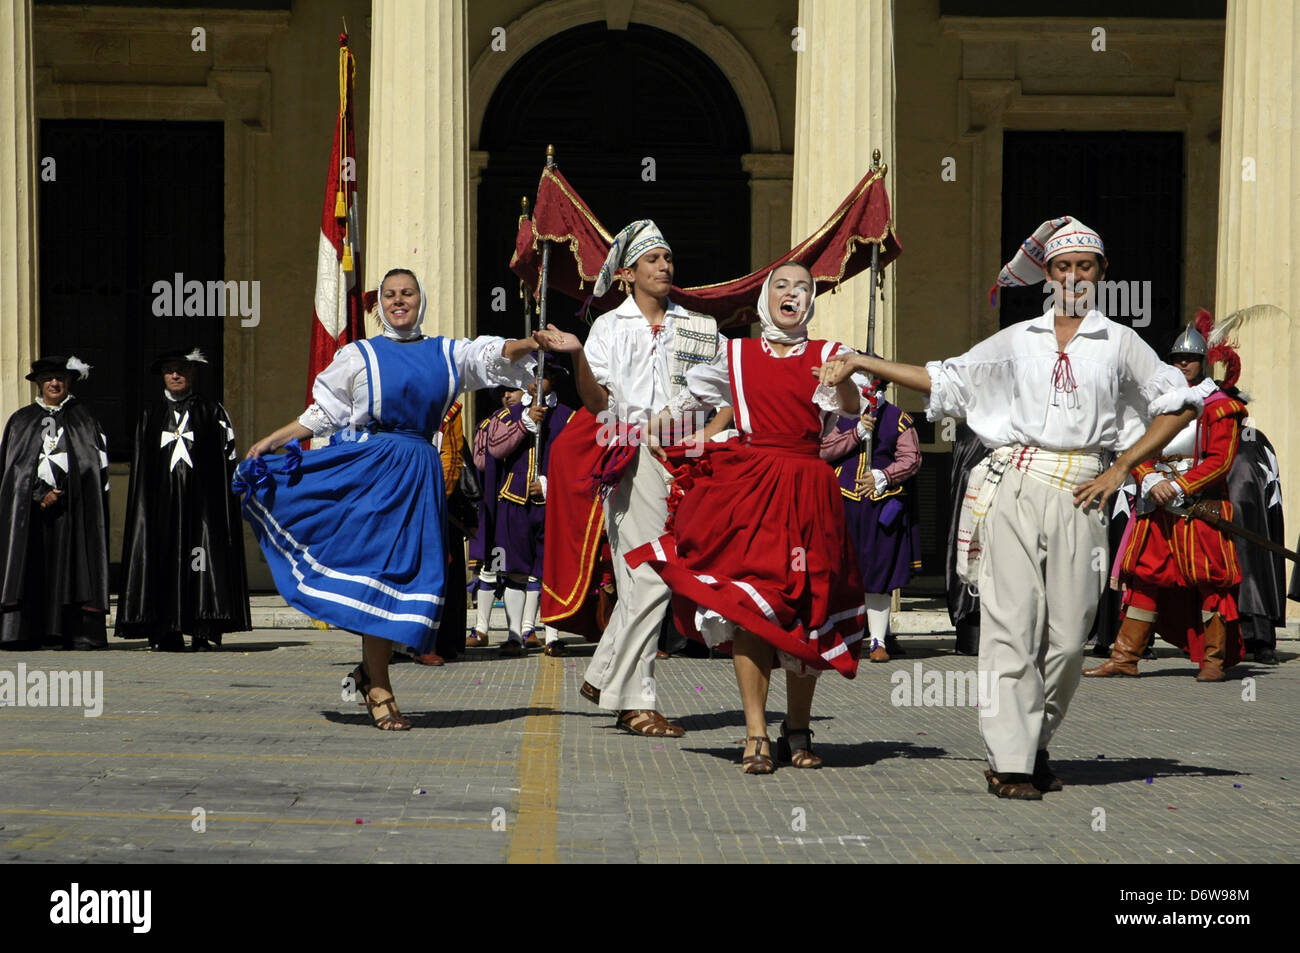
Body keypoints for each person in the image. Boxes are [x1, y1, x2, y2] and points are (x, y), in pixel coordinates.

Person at [821, 216, 1202, 799]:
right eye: (1062, 267)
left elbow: (1179, 406)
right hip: (1016, 486)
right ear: (1047, 274)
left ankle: (1034, 737)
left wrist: (1123, 468)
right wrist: (866, 363)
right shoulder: (1017, 340)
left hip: (1083, 491)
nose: (1073, 276)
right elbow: (944, 380)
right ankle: (1012, 760)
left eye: (1085, 266)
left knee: (1071, 638)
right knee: (1009, 627)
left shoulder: (1121, 342)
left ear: (1101, 273)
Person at [236, 268, 556, 730]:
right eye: (390, 295)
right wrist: (272, 439)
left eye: (407, 293)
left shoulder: (446, 353)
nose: (398, 301)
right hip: (372, 468)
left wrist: (530, 343)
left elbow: (491, 353)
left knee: (411, 575)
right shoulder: (359, 355)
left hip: (420, 471)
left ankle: (371, 672)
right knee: (376, 570)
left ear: (420, 300)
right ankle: (381, 685)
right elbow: (323, 414)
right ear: (379, 304)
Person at [625, 261, 868, 773]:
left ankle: (797, 728)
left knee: (807, 606)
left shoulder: (829, 354)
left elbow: (849, 411)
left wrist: (844, 378)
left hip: (809, 488)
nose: (793, 294)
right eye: (782, 285)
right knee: (750, 606)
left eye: (804, 287)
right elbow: (689, 403)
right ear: (765, 298)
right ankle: (755, 731)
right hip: (753, 491)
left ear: (811, 301)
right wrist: (653, 431)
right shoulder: (735, 353)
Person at [547, 219, 729, 738]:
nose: (665, 267)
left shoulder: (699, 326)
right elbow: (597, 402)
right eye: (653, 259)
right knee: (649, 573)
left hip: (687, 459)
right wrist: (578, 353)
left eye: (668, 258)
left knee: (649, 575)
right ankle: (637, 698)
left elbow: (723, 398)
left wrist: (708, 441)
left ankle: (609, 675)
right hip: (632, 455)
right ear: (628, 273)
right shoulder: (609, 328)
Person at [1086, 319, 1249, 681]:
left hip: (1199, 506)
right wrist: (1152, 479)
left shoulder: (1221, 406)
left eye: (1190, 357)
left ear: (1203, 361)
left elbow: (1219, 462)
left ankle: (1213, 660)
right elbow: (1136, 449)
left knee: (1212, 580)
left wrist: (1178, 487)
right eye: (1177, 357)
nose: (1183, 363)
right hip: (1156, 504)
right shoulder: (1157, 403)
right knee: (1144, 577)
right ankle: (1125, 657)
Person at [116, 348, 251, 651]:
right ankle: (166, 631)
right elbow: (142, 471)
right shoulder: (150, 415)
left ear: (192, 374)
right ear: (163, 376)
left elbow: (228, 460)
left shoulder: (212, 412)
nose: (176, 375)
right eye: (170, 371)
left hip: (202, 513)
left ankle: (201, 628)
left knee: (200, 566)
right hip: (160, 512)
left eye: (182, 370)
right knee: (164, 563)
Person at [0, 356, 111, 650]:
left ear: (69, 382)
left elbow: (94, 467)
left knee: (71, 568)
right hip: (30, 515)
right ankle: (24, 632)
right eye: (48, 378)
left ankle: (74, 632)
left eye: (60, 378)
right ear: (38, 383)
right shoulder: (20, 421)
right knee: (30, 567)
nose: (54, 383)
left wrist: (62, 491)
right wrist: (38, 494)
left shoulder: (85, 419)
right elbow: (13, 472)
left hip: (72, 511)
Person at [825, 389, 922, 662]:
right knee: (839, 571)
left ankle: (878, 640)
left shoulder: (898, 418)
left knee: (879, 574)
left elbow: (911, 458)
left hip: (881, 505)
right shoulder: (834, 415)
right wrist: (854, 433)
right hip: (840, 502)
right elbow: (820, 450)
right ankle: (840, 637)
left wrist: (884, 475)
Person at [485, 363, 575, 657]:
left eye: (542, 377)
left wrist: (549, 485)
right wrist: (525, 424)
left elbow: (577, 465)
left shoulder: (569, 418)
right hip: (513, 501)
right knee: (513, 571)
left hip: (553, 506)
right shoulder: (508, 415)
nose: (534, 383)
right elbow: (492, 452)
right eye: (530, 377)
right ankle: (514, 635)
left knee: (549, 571)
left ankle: (552, 635)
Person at [465, 388, 520, 649]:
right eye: (503, 391)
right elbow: (481, 462)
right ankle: (481, 629)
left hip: (527, 505)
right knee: (490, 567)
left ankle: (520, 632)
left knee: (522, 572)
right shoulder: (490, 422)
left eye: (513, 390)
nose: (507, 396)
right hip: (496, 506)